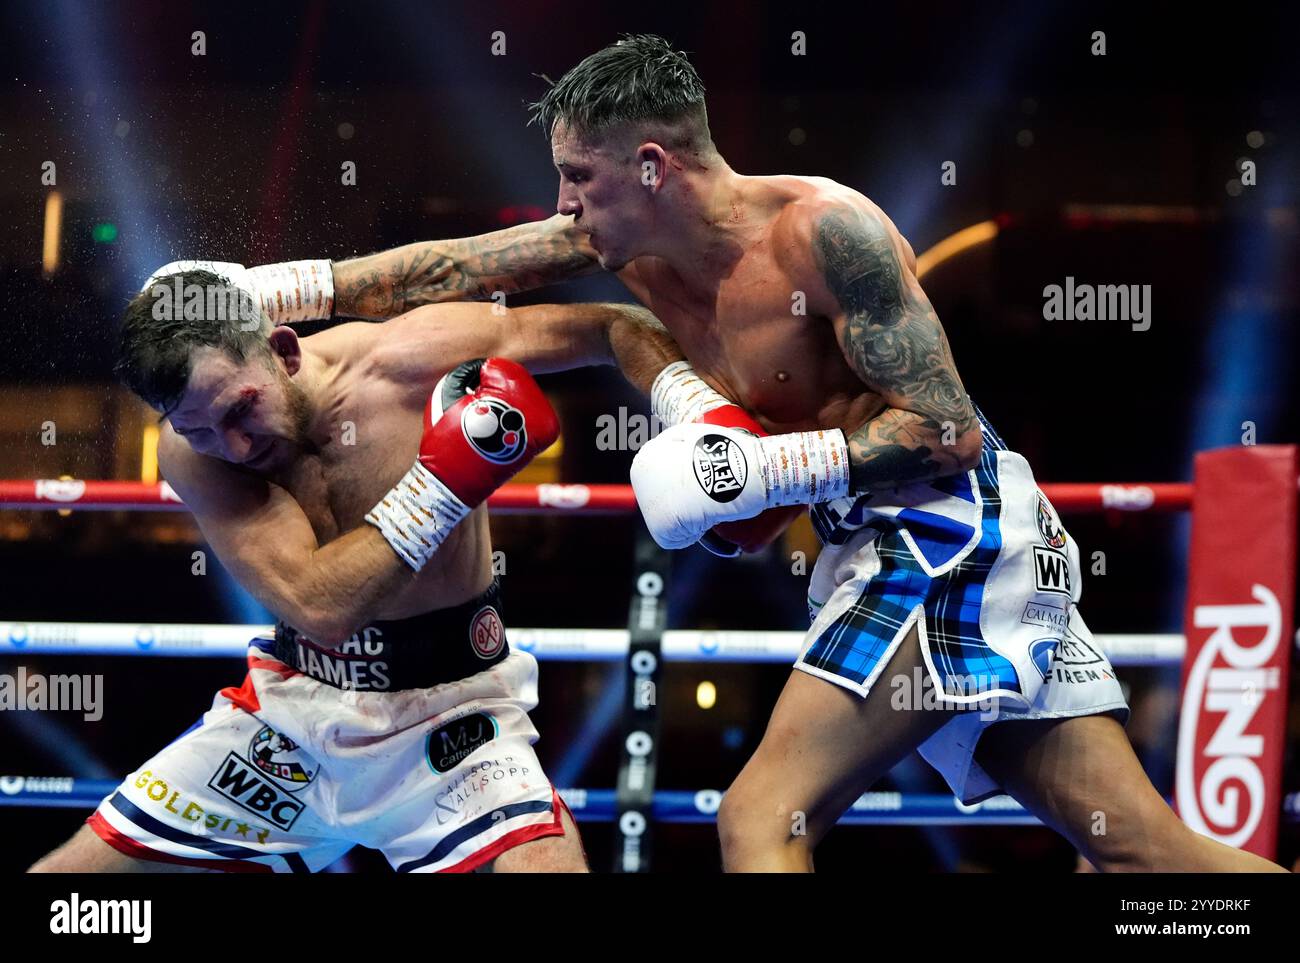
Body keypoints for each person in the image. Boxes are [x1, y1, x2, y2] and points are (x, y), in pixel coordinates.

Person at [342, 34, 1283, 872]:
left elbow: (946, 432)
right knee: (1141, 850)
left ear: (654, 166)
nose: (564, 205)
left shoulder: (825, 234)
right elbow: (448, 268)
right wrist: (269, 292)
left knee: (760, 819)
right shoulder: (627, 248)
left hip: (945, 531)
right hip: (890, 541)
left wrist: (766, 471)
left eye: (580, 177)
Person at [28, 259, 680, 873]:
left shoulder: (409, 361)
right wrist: (448, 480)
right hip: (290, 718)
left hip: (454, 719)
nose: (233, 445)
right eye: (197, 428)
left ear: (284, 352)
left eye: (239, 409)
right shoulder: (194, 453)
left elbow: (613, 324)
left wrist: (700, 416)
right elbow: (320, 606)